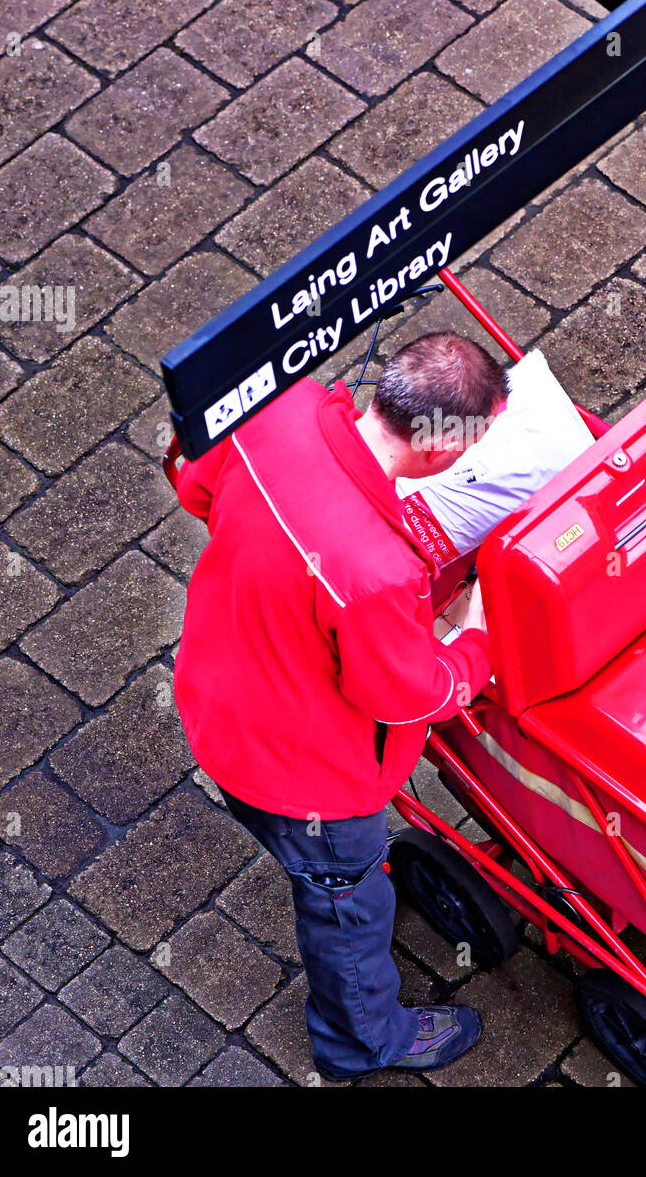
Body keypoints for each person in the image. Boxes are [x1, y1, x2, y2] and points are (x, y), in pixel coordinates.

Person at [173, 332, 508, 1081]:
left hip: (215, 688)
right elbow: (406, 693)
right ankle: (360, 1041)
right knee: (346, 907)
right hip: (303, 779)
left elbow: (194, 486)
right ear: (441, 452)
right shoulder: (375, 573)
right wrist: (477, 642)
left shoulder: (277, 412)